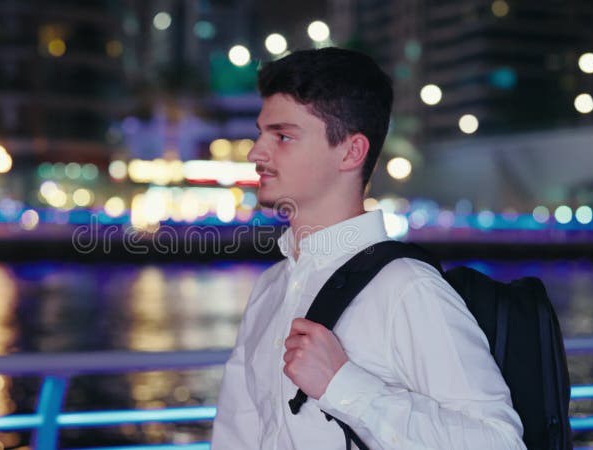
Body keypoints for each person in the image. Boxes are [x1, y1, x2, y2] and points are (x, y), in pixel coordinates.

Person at [211, 47, 525, 449]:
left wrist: (343, 385)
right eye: (261, 132)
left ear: (351, 151)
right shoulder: (271, 287)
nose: (256, 152)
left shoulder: (408, 288)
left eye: (283, 136)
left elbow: (500, 442)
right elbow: (237, 435)